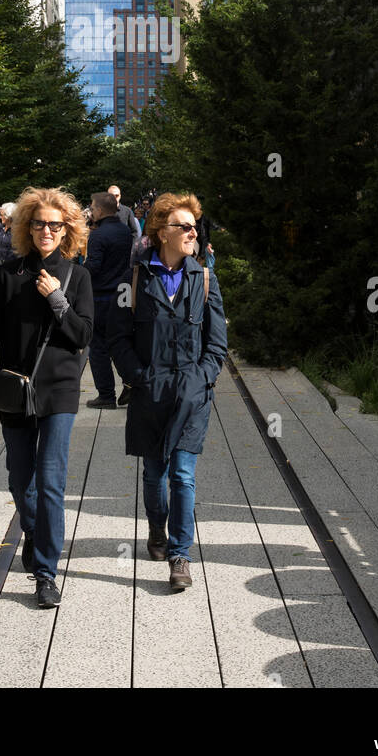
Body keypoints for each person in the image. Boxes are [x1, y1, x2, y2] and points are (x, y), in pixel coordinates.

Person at [0, 187, 92, 609]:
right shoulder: (9, 273)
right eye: (38, 223)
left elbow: (83, 335)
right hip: (15, 390)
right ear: (26, 227)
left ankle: (45, 573)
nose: (46, 231)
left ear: (66, 230)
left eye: (55, 225)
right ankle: (36, 532)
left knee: (51, 483)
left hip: (59, 391)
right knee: (21, 480)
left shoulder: (78, 276)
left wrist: (56, 298)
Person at [108, 191, 227, 593]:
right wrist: (139, 377)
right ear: (161, 233)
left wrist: (204, 379)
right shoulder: (136, 279)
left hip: (192, 394)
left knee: (183, 474)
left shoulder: (205, 278)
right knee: (155, 473)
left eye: (195, 226)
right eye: (184, 226)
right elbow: (117, 337)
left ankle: (180, 555)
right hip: (149, 392)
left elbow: (217, 342)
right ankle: (156, 529)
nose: (193, 232)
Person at [85, 191, 133, 410]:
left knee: (98, 347)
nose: (92, 211)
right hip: (122, 294)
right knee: (119, 342)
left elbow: (94, 267)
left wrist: (75, 272)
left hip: (101, 296)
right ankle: (131, 382)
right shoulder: (124, 231)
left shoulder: (98, 235)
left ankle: (106, 395)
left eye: (93, 208)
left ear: (101, 210)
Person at [0, 202, 15, 272]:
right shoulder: (1, 228)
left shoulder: (17, 231)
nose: (0, 217)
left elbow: (15, 252)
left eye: (2, 215)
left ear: (8, 217)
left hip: (9, 268)